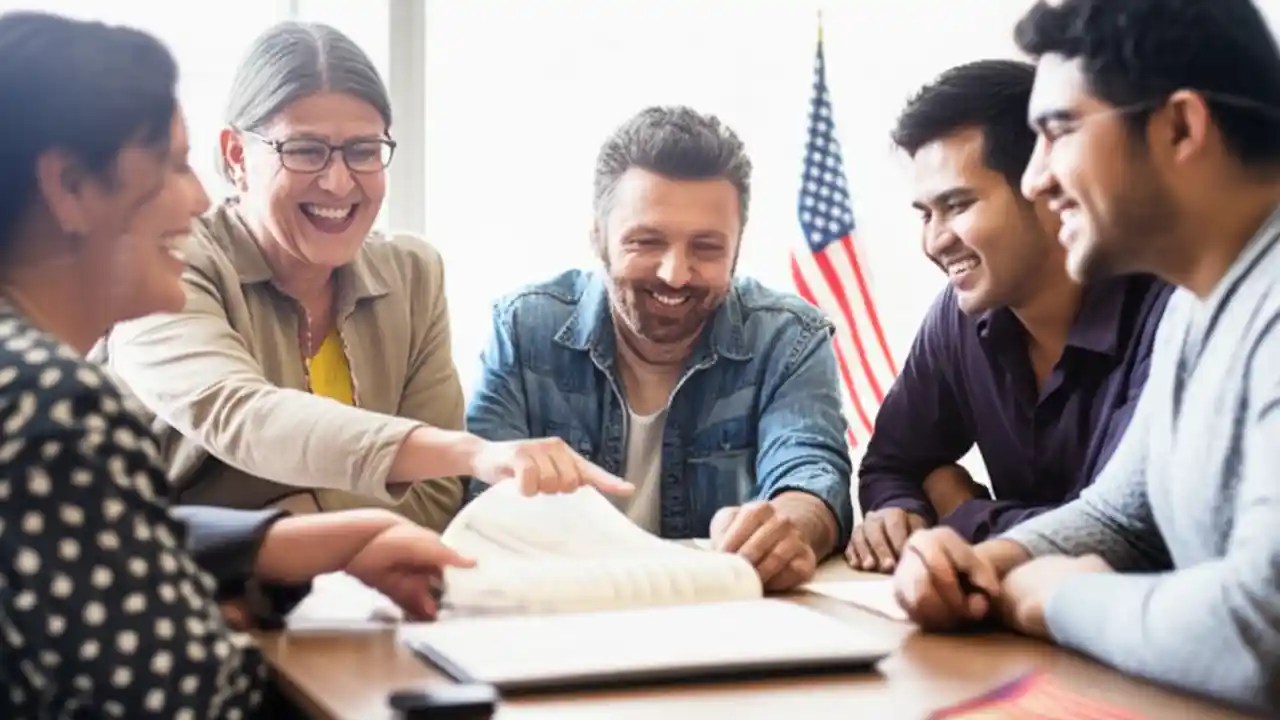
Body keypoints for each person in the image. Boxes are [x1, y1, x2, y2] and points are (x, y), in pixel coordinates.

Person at [0, 12, 486, 718]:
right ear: (69, 187)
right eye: (170, 166)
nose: (197, 198)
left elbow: (112, 540)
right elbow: (191, 695)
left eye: (362, 150)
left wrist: (282, 551)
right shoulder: (56, 404)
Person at [894, 0, 1280, 712]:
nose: (1036, 179)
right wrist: (984, 565)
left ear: (1180, 127)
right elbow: (1122, 517)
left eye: (1058, 132)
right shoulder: (1198, 304)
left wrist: (1055, 600)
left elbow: (1259, 633)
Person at [94, 21, 628, 530]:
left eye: (363, 151)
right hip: (179, 583)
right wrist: (470, 453)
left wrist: (300, 516)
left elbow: (436, 493)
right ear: (236, 156)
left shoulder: (413, 276)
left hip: (358, 584)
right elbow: (240, 415)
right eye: (305, 150)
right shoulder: (168, 265)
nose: (337, 181)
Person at [466, 106, 852, 591]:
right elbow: (484, 503)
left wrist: (789, 527)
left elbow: (810, 468)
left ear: (737, 247)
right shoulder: (523, 327)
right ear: (598, 238)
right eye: (646, 242)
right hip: (558, 607)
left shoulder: (789, 338)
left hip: (720, 615)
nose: (675, 274)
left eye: (706, 248)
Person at [849, 60, 1172, 572]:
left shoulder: (1168, 312)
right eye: (926, 214)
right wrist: (899, 512)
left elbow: (1127, 539)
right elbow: (892, 464)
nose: (934, 241)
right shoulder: (958, 316)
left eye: (957, 205)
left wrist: (959, 510)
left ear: (1047, 187)